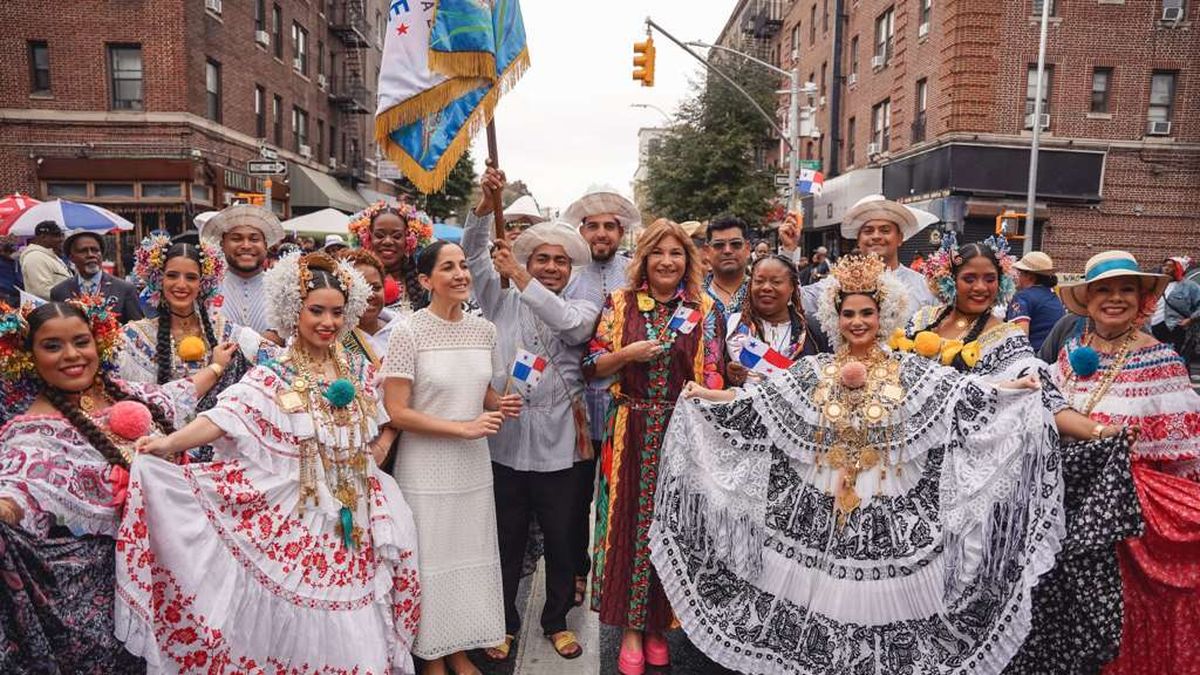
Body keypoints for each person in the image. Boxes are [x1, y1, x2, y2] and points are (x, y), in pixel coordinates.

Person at [658, 253, 1062, 675]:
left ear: (882, 314)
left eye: (866, 312)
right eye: (848, 313)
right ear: (836, 318)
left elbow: (964, 393)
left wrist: (1013, 387)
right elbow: (759, 402)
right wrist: (706, 396)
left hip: (887, 496)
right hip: (823, 496)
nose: (857, 321)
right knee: (823, 597)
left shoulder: (909, 368)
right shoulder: (817, 369)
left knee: (880, 602)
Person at [124, 252, 421, 672]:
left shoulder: (356, 365)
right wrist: (168, 443)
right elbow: (224, 418)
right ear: (293, 311)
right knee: (299, 631)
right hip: (299, 516)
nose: (328, 322)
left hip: (356, 516)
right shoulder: (275, 371)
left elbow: (385, 412)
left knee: (360, 634)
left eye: (337, 312)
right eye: (316, 310)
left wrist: (381, 445)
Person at [901, 236, 1138, 673]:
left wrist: (1099, 431)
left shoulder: (1005, 336)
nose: (980, 287)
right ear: (948, 280)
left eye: (990, 279)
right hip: (909, 476)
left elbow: (1041, 395)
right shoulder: (919, 322)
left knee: (961, 587)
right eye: (969, 278)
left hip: (969, 483)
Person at [0, 297, 232, 672]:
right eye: (52, 346)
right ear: (28, 355)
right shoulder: (32, 434)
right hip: (113, 597)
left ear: (99, 343)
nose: (71, 355)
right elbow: (18, 492)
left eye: (81, 341)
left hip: (181, 571)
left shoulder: (124, 391)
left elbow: (177, 394)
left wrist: (217, 366)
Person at [463, 168, 598, 662]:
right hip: (505, 434)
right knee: (505, 537)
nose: (550, 267)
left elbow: (569, 329)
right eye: (540, 258)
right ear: (527, 258)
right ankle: (501, 620)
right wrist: (485, 204)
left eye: (560, 261)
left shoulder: (584, 302)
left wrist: (521, 275)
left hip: (563, 441)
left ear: (570, 269)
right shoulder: (497, 294)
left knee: (563, 538)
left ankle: (557, 618)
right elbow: (474, 253)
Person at [584, 218, 725, 675]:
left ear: (688, 260)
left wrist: (706, 393)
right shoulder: (619, 303)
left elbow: (715, 373)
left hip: (683, 433)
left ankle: (659, 626)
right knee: (627, 526)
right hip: (630, 426)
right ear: (644, 258)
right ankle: (629, 628)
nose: (668, 261)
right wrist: (628, 354)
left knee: (672, 528)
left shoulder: (705, 307)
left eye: (677, 253)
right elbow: (592, 364)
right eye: (659, 253)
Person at [1048, 250, 1200, 674]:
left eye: (1126, 290)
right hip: (1065, 509)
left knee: (1123, 618)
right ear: (1088, 298)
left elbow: (1186, 462)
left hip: (1130, 522)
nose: (1115, 299)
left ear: (1141, 299)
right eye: (1104, 290)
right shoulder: (1069, 357)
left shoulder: (1161, 363)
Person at [381, 240, 519, 675]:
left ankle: (459, 650)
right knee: (430, 562)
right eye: (448, 267)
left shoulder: (484, 330)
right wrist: (464, 427)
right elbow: (396, 411)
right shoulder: (408, 331)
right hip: (425, 466)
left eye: (463, 265)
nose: (461, 274)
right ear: (425, 281)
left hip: (472, 466)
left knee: (469, 558)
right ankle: (432, 656)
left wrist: (500, 404)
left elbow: (483, 394)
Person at [118, 237, 276, 442]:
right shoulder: (133, 337)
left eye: (191, 277)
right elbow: (131, 401)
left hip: (219, 450)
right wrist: (216, 368)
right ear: (158, 279)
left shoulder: (227, 332)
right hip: (159, 447)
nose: (181, 285)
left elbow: (278, 362)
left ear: (203, 284)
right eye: (172, 275)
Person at [562, 183, 639, 607]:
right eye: (594, 227)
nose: (602, 235)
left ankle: (618, 571)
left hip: (626, 405)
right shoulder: (569, 275)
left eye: (611, 227)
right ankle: (575, 568)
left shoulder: (636, 274)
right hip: (575, 407)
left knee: (622, 496)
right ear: (582, 230)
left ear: (622, 232)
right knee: (575, 498)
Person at [786, 194, 937, 320]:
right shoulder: (838, 284)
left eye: (885, 230)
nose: (876, 236)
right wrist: (789, 251)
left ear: (900, 238)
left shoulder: (924, 287)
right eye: (868, 231)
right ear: (858, 240)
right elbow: (796, 300)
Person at [725, 254, 829, 386]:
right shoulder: (735, 326)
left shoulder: (813, 329)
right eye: (759, 281)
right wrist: (730, 378)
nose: (766, 287)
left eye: (776, 282)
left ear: (792, 287)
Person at [198, 204, 285, 336]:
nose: (246, 245)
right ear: (222, 245)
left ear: (266, 245)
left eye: (254, 239)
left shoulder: (282, 289)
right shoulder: (206, 289)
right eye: (236, 239)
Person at [348, 201, 435, 314]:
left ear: (409, 240)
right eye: (379, 235)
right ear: (367, 238)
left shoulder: (426, 285)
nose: (388, 241)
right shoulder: (349, 281)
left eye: (397, 236)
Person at [51, 230, 143, 323]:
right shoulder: (59, 292)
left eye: (95, 250)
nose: (91, 255)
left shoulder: (125, 289)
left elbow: (137, 329)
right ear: (71, 258)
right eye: (83, 251)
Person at [335, 248, 401, 366]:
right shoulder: (332, 334)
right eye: (359, 288)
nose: (370, 294)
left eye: (376, 288)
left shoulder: (403, 328)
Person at [1005, 250, 1065, 352]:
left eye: (1020, 273)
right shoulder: (1054, 296)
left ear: (1030, 277)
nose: (1017, 277)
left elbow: (1019, 340)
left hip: (1033, 358)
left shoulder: (1022, 297)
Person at [704, 214, 751, 321]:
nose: (727, 251)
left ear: (748, 249)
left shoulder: (762, 292)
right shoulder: (693, 297)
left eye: (736, 244)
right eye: (719, 245)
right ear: (707, 251)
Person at [1151, 256, 1200, 358]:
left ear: (1179, 268)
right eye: (1165, 265)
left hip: (1175, 327)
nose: (1166, 268)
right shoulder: (1157, 284)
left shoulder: (1189, 286)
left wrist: (1190, 320)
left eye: (1171, 266)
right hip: (1153, 327)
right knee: (1155, 359)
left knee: (1175, 359)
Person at [18, 220, 70, 300]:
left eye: (61, 235)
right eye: (56, 236)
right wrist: (73, 298)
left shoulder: (49, 255)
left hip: (61, 307)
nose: (61, 239)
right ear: (43, 237)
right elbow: (42, 291)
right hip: (49, 310)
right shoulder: (34, 257)